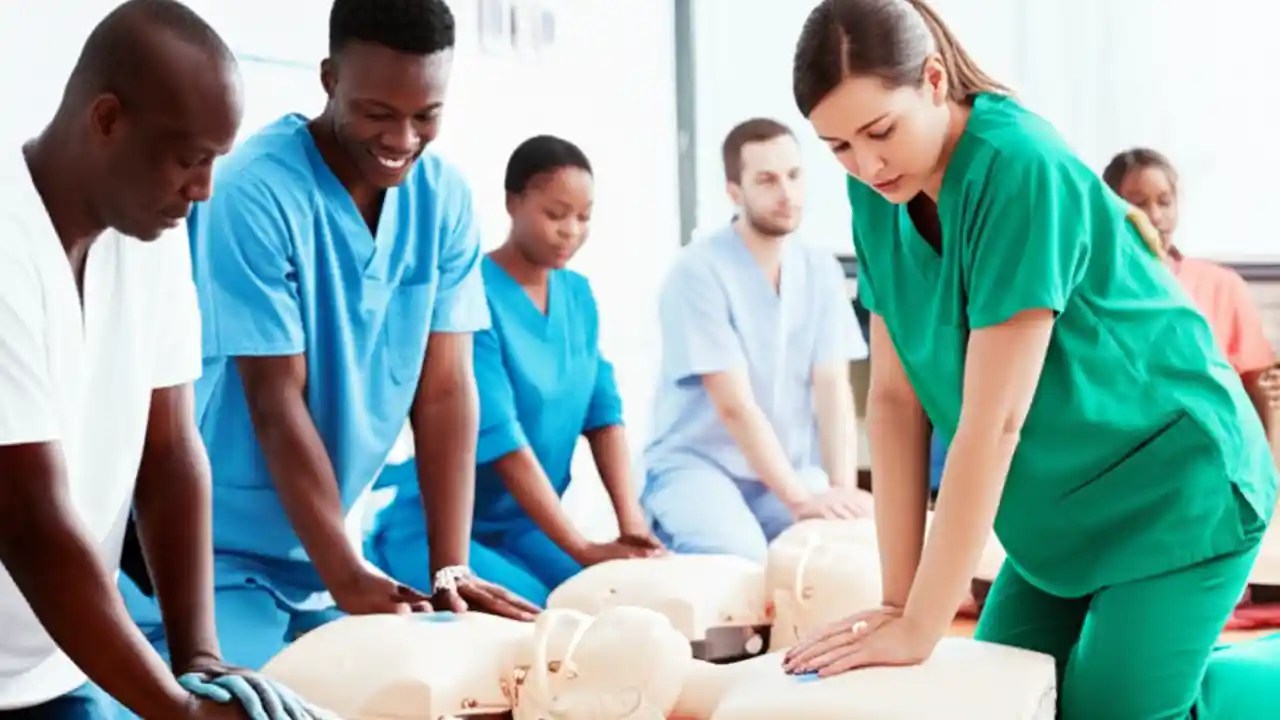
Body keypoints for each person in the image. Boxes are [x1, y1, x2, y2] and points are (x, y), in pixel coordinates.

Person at [780, 1, 1278, 718]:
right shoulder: (875, 191)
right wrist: (899, 602)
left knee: (1109, 710)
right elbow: (893, 402)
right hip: (1060, 509)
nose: (866, 163)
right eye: (838, 147)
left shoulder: (1019, 166)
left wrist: (924, 624)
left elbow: (995, 420)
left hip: (1178, 488)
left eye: (879, 131)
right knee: (1002, 700)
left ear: (931, 79)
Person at [124, 0, 538, 672]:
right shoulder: (253, 192)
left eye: (425, 115)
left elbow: (446, 389)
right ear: (328, 79)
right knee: (262, 702)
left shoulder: (445, 199)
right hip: (212, 554)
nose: (403, 137)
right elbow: (274, 402)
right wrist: (344, 572)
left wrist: (450, 568)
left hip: (321, 555)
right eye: (378, 112)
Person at [0, 1, 326, 718]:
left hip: (50, 666)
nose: (205, 188)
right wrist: (177, 712)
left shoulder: (151, 234)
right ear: (107, 119)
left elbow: (170, 451)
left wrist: (199, 659)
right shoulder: (6, 240)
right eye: (190, 159)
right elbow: (27, 516)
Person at [368, 135, 664, 606]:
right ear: (513, 202)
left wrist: (632, 529)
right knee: (540, 615)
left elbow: (604, 416)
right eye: (555, 214)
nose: (571, 230)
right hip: (445, 532)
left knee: (616, 601)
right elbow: (504, 443)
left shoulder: (579, 297)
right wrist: (582, 548)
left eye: (584, 217)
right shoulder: (472, 296)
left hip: (528, 528)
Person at [641, 118, 873, 565]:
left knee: (849, 550)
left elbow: (832, 389)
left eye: (793, 175)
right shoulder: (697, 272)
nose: (786, 193)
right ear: (735, 191)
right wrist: (802, 504)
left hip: (785, 471)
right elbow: (735, 406)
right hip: (699, 468)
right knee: (741, 559)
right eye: (766, 180)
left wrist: (841, 489)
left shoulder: (820, 269)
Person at [1104, 147, 1278, 437]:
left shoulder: (1222, 286)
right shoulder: (1096, 292)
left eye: (1164, 202)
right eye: (1138, 203)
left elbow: (1266, 394)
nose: (1155, 216)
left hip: (1215, 459)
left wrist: (1271, 477)